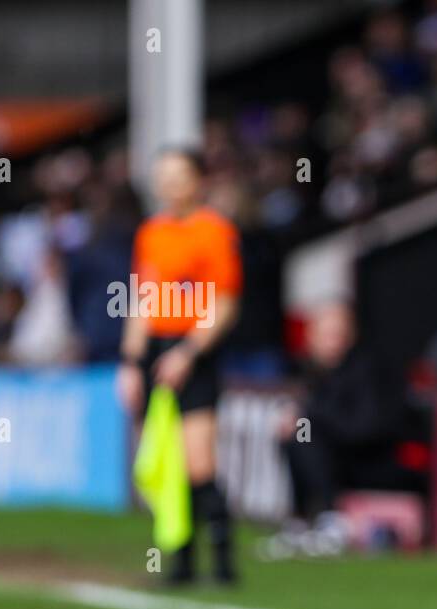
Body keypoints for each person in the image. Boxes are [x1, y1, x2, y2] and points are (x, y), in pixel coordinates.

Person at [117, 147, 242, 585]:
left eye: (178, 175)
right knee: (165, 462)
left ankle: (225, 563)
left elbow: (224, 303)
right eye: (162, 176)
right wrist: (131, 362)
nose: (168, 184)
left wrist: (189, 352)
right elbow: (143, 301)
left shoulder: (214, 232)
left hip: (195, 354)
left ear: (198, 180)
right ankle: (182, 562)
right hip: (156, 352)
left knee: (198, 463)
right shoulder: (151, 233)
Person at [266, 302, 411, 557]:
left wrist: (311, 416)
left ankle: (330, 520)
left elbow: (366, 429)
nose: (332, 342)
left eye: (337, 335)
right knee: (295, 433)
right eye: (325, 335)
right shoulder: (312, 371)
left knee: (306, 430)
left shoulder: (366, 369)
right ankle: (299, 522)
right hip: (338, 458)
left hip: (374, 462)